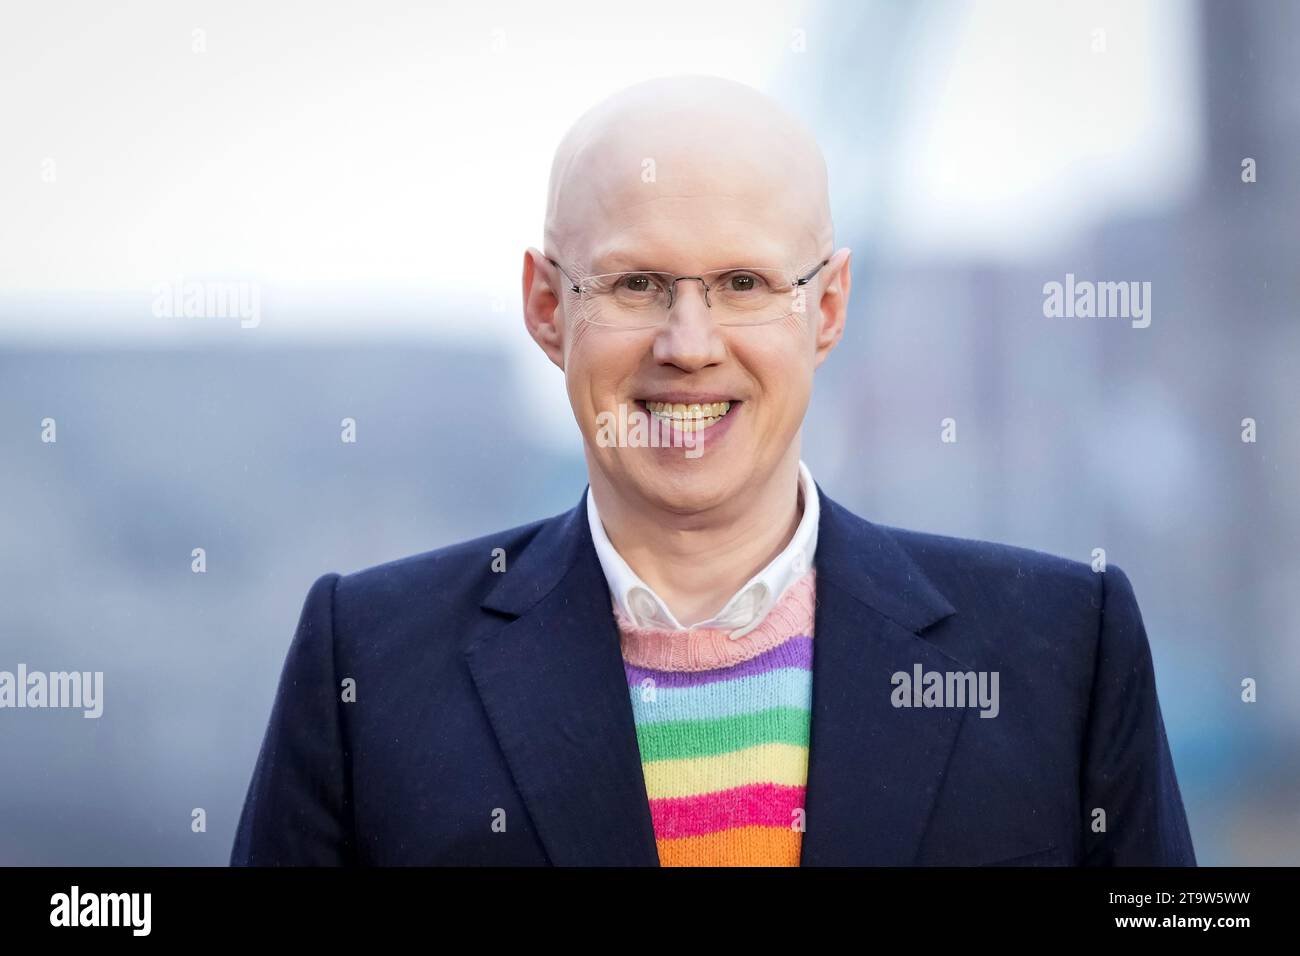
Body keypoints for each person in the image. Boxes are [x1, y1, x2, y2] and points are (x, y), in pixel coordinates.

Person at [231, 75, 1195, 866]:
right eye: (636, 283)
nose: (689, 345)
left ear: (826, 309)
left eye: (744, 284)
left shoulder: (1063, 651)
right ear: (544, 306)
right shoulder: (365, 663)